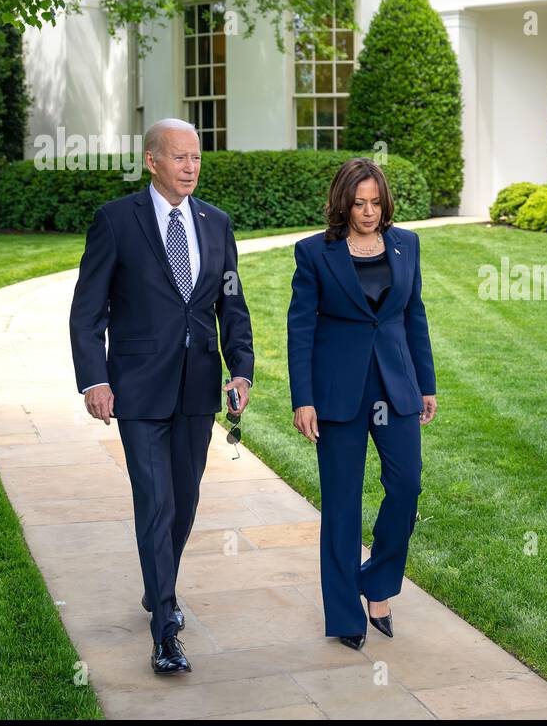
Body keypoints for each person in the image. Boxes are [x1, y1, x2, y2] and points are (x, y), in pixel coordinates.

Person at [68, 117, 254, 675]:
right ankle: (165, 626)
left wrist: (240, 371)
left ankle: (158, 584)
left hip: (198, 386)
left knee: (185, 500)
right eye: (179, 158)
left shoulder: (216, 224)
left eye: (196, 158)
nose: (191, 168)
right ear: (152, 161)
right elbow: (87, 311)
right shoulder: (115, 221)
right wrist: (94, 378)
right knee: (155, 501)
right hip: (138, 389)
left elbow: (232, 305)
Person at [287, 157, 437, 650]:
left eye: (375, 202)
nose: (368, 212)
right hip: (337, 394)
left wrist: (426, 384)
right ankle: (345, 615)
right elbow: (301, 328)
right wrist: (303, 398)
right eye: (359, 203)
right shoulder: (314, 253)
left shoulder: (406, 244)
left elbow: (414, 315)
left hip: (395, 387)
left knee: (407, 486)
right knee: (342, 504)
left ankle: (377, 580)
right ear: (344, 203)